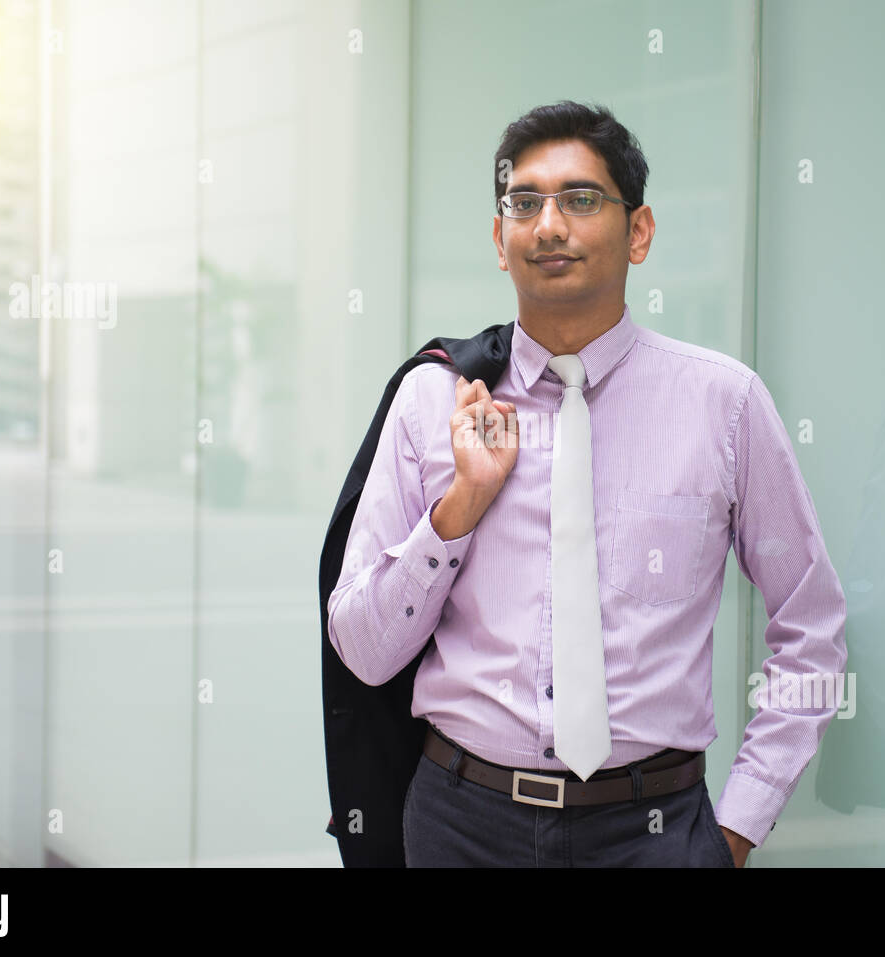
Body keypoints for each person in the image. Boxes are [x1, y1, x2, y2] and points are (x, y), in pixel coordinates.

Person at [327, 100, 847, 867]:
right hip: (459, 823)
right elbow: (364, 650)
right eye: (524, 203)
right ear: (499, 241)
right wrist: (460, 507)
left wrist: (734, 831)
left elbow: (812, 630)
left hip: (655, 832)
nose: (549, 225)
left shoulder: (724, 404)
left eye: (580, 199)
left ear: (639, 231)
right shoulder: (434, 400)